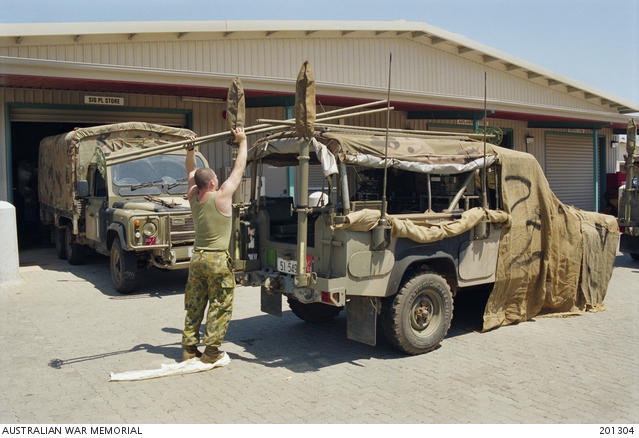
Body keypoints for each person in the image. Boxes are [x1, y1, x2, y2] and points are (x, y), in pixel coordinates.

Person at [181, 127, 247, 366]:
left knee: (195, 303)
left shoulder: (192, 196)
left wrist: (190, 150)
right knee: (220, 304)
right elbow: (239, 169)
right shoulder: (221, 196)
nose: (220, 181)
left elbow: (190, 171)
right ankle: (211, 352)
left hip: (197, 258)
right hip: (218, 259)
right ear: (210, 182)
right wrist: (243, 141)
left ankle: (189, 349)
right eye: (216, 180)